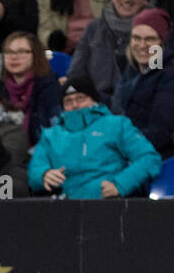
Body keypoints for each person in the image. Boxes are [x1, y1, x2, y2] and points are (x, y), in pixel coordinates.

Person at [28, 72, 162, 194]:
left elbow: (148, 158)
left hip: (107, 203)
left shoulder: (116, 125)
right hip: (66, 207)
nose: (75, 105)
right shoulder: (51, 135)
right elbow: (34, 168)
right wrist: (43, 174)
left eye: (80, 98)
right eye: (68, 101)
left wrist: (120, 185)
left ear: (94, 99)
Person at [112, 7, 174, 155]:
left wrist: (115, 140)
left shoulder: (172, 76)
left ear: (162, 43)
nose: (142, 45)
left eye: (150, 39)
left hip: (154, 155)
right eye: (136, 38)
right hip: (127, 146)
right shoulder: (132, 68)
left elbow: (161, 132)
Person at [68, 0, 149, 100]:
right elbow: (75, 72)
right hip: (95, 103)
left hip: (136, 103)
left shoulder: (156, 32)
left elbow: (158, 77)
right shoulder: (93, 28)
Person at [1, 30, 64, 143]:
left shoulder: (49, 87)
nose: (14, 57)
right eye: (9, 52)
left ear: (35, 55)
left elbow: (54, 131)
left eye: (21, 52)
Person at [38, 0, 110, 53]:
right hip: (65, 48)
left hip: (99, 45)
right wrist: (51, 39)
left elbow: (115, 16)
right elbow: (43, 28)